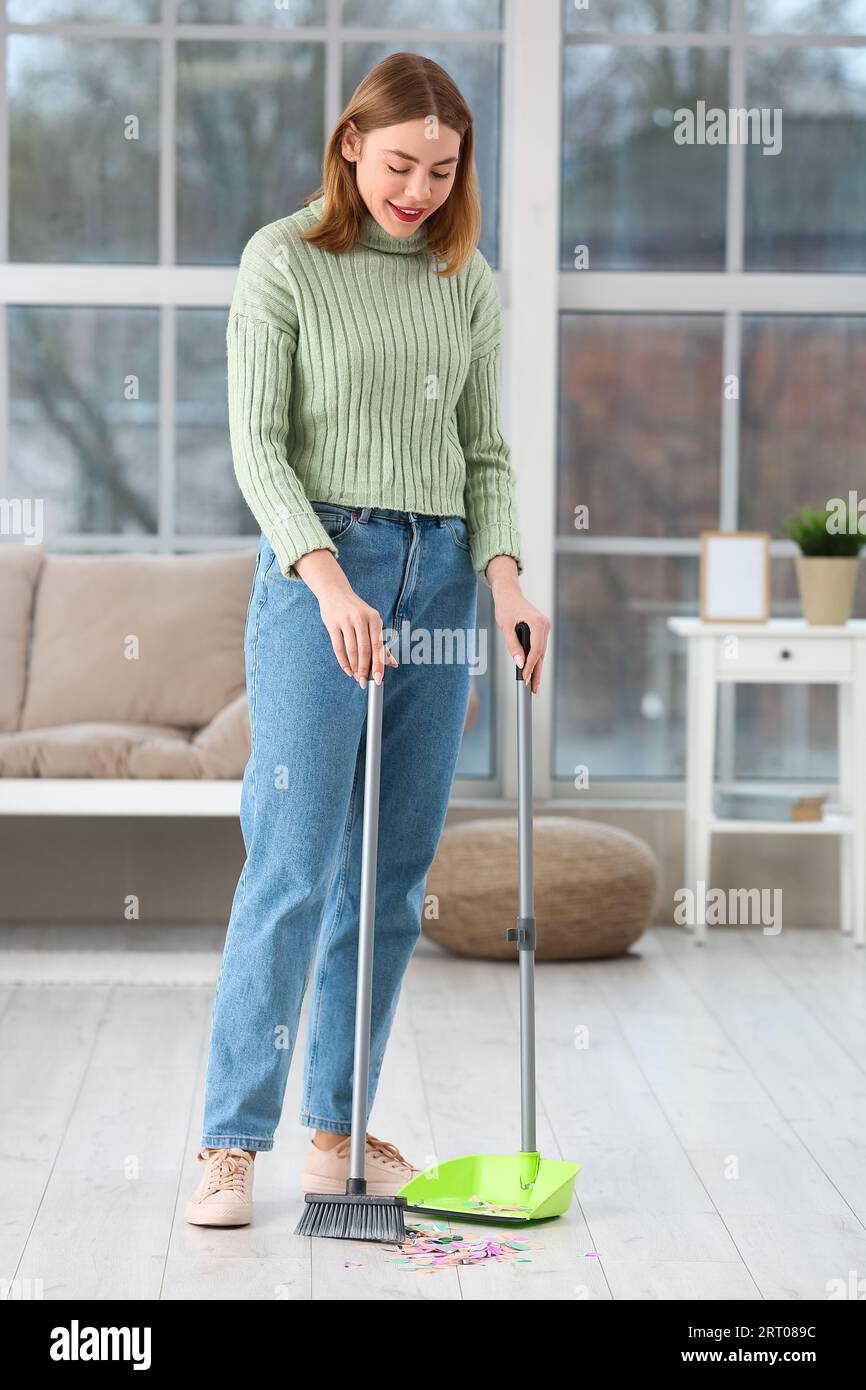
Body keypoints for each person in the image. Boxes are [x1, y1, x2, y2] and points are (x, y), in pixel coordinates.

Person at [186, 51, 550, 1228]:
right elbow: (259, 447)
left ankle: (338, 1130)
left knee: (392, 878)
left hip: (440, 579)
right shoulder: (281, 260)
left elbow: (485, 452)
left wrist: (503, 585)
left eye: (442, 171)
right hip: (316, 580)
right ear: (351, 144)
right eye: (400, 164)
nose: (419, 191)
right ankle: (229, 1144)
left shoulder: (463, 277)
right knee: (291, 866)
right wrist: (330, 581)